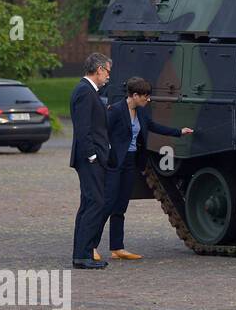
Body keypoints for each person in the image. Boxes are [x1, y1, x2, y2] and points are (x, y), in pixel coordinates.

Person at [98, 76, 193, 260]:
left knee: (121, 205)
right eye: (144, 97)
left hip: (131, 161)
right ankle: (91, 245)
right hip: (115, 161)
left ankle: (117, 247)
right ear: (134, 95)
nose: (147, 100)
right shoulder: (116, 110)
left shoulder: (141, 113)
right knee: (108, 202)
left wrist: (179, 132)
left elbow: (153, 126)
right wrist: (107, 154)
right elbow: (102, 133)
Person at [70, 53, 113, 269]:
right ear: (98, 70)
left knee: (89, 203)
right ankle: (83, 255)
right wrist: (93, 155)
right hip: (90, 160)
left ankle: (82, 254)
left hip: (93, 158)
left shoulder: (89, 91)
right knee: (94, 203)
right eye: (107, 72)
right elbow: (83, 128)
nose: (108, 76)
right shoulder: (85, 92)